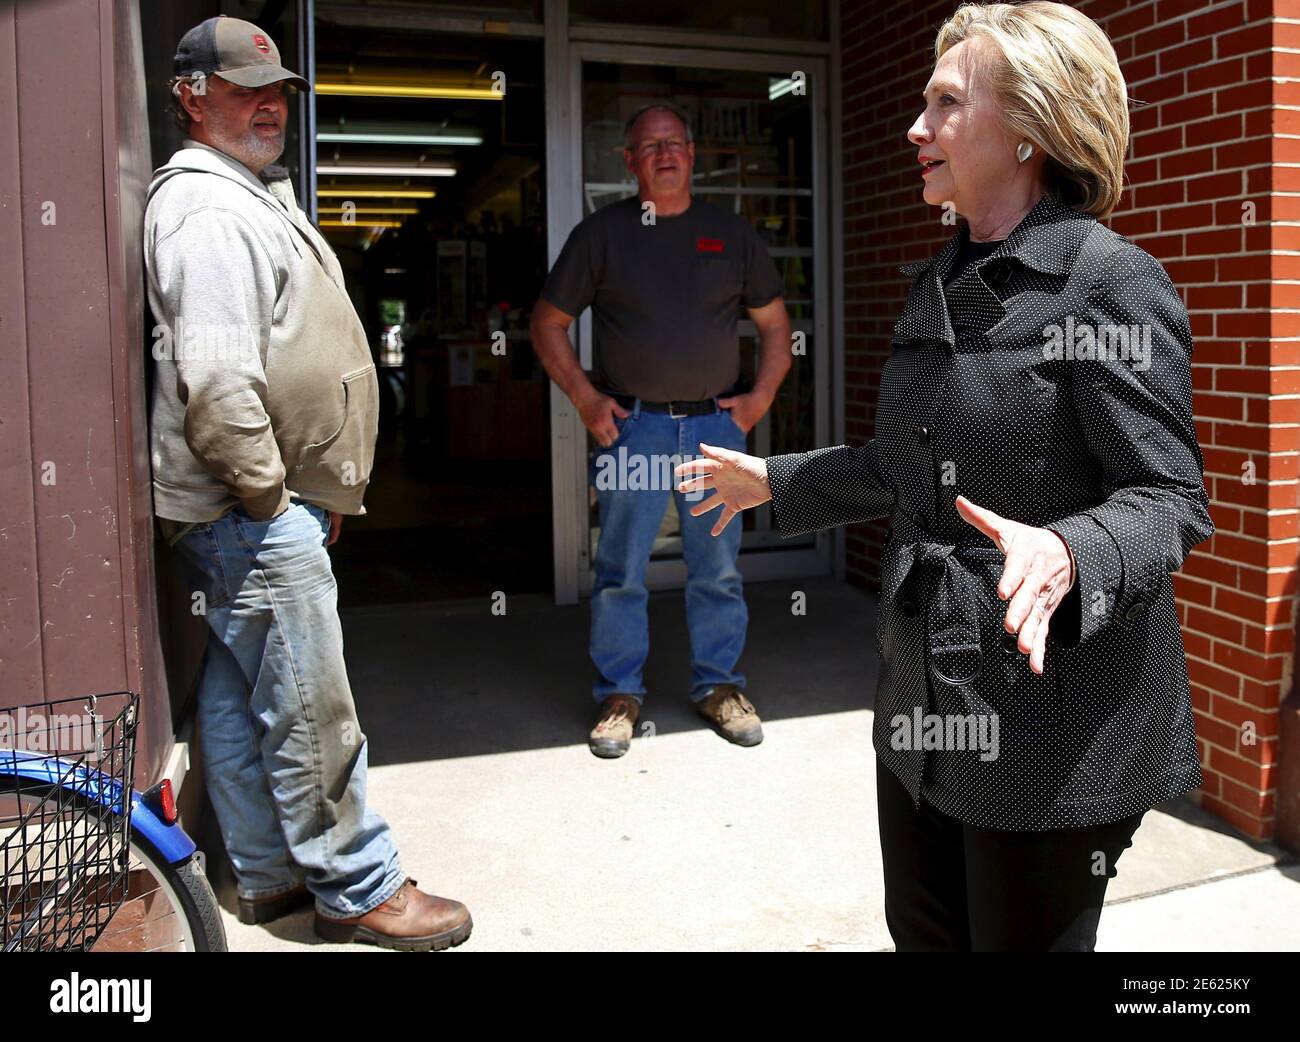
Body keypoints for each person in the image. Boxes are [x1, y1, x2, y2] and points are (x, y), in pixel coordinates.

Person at [677, 1, 1213, 951]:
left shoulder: (1106, 283)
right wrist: (778, 480)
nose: (915, 128)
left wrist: (1069, 547)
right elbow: (906, 467)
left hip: (1049, 725)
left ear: (1028, 131)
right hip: (924, 702)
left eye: (946, 103)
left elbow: (1170, 497)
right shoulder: (941, 276)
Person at [146, 15, 471, 951]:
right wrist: (269, 500)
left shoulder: (243, 191)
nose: (267, 104)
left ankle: (269, 878)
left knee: (238, 696)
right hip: (242, 509)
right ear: (190, 95)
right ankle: (358, 884)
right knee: (308, 702)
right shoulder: (207, 211)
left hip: (245, 507)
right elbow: (215, 382)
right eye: (244, 87)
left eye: (276, 88)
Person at [531, 102, 792, 758]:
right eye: (650, 147)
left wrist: (758, 399)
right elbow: (546, 324)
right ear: (629, 162)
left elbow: (775, 327)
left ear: (693, 152)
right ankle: (618, 695)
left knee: (717, 568)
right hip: (634, 429)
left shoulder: (730, 235)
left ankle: (719, 686)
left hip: (713, 428)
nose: (665, 154)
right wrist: (588, 400)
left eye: (675, 142)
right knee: (620, 568)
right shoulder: (603, 235)